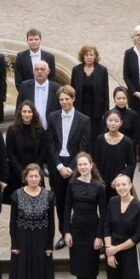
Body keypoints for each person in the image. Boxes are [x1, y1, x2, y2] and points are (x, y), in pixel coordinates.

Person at [7, 163, 57, 279]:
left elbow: (52, 223)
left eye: (36, 176)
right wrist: (14, 244)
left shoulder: (49, 195)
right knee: (23, 268)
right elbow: (12, 222)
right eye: (31, 176)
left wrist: (49, 245)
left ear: (41, 177)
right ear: (25, 177)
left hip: (41, 238)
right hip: (22, 237)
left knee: (38, 268)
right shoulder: (17, 195)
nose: (34, 179)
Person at [63, 151, 106, 279]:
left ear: (91, 165)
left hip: (93, 230)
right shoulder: (72, 184)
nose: (82, 167)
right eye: (79, 164)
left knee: (91, 266)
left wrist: (100, 236)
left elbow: (103, 213)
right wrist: (66, 232)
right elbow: (67, 208)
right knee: (79, 265)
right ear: (77, 166)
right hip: (76, 230)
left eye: (85, 164)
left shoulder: (99, 186)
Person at [47, 86, 92, 219]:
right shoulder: (52, 117)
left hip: (75, 164)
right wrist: (59, 166)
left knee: (76, 200)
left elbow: (83, 147)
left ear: (73, 99)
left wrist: (71, 168)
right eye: (61, 99)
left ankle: (75, 233)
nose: (64, 102)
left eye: (67, 99)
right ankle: (63, 232)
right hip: (58, 163)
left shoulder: (84, 120)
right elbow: (50, 144)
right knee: (60, 201)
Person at [3, 99, 49, 196]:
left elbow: (43, 152)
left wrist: (33, 171)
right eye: (24, 111)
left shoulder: (40, 130)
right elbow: (10, 154)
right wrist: (22, 173)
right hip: (17, 173)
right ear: (20, 113)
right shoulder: (12, 130)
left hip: (35, 174)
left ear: (33, 113)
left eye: (29, 112)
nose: (27, 114)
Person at [90, 112, 136, 207]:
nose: (113, 123)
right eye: (110, 120)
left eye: (116, 121)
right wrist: (98, 180)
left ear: (121, 123)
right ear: (106, 122)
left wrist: (120, 177)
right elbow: (95, 162)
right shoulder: (100, 139)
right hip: (102, 181)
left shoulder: (127, 141)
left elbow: (131, 164)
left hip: (119, 184)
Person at [69, 45, 109, 124]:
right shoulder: (76, 70)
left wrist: (106, 112)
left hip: (96, 109)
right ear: (82, 56)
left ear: (95, 56)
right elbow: (72, 91)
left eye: (91, 55)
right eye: (86, 55)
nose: (89, 57)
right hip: (80, 107)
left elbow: (105, 92)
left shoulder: (102, 70)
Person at [17, 56, 58, 129]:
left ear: (48, 71)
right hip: (29, 128)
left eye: (42, 69)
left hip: (50, 129)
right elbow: (19, 107)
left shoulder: (56, 88)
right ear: (33, 72)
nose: (39, 72)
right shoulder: (25, 86)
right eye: (37, 69)